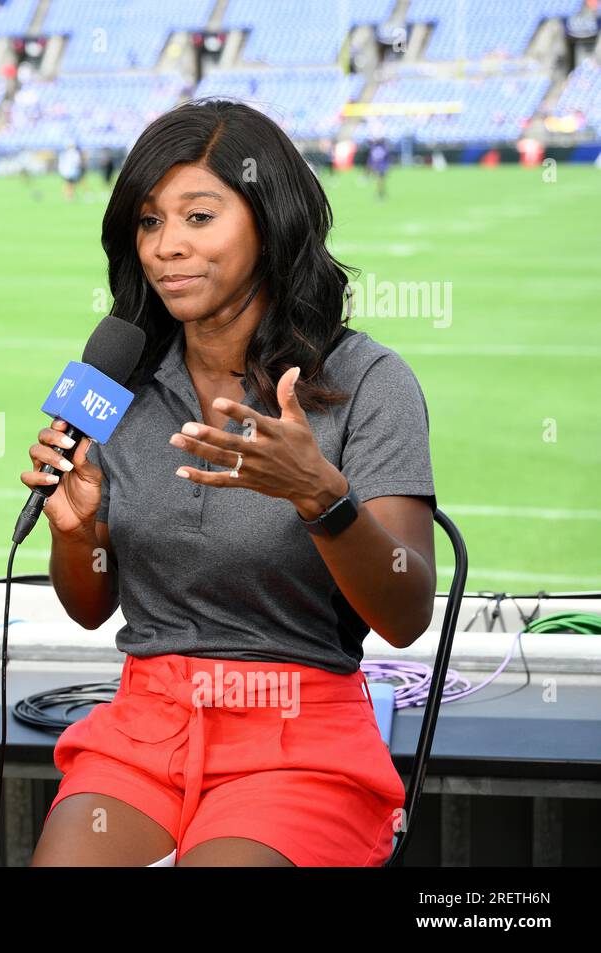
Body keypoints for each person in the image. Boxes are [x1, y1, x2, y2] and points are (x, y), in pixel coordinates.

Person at [22, 100, 435, 867]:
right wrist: (79, 534)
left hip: (298, 734)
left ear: (270, 224)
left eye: (199, 217)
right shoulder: (119, 387)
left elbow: (406, 613)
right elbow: (89, 608)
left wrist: (322, 498)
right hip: (144, 726)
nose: (167, 248)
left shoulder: (368, 382)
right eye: (149, 223)